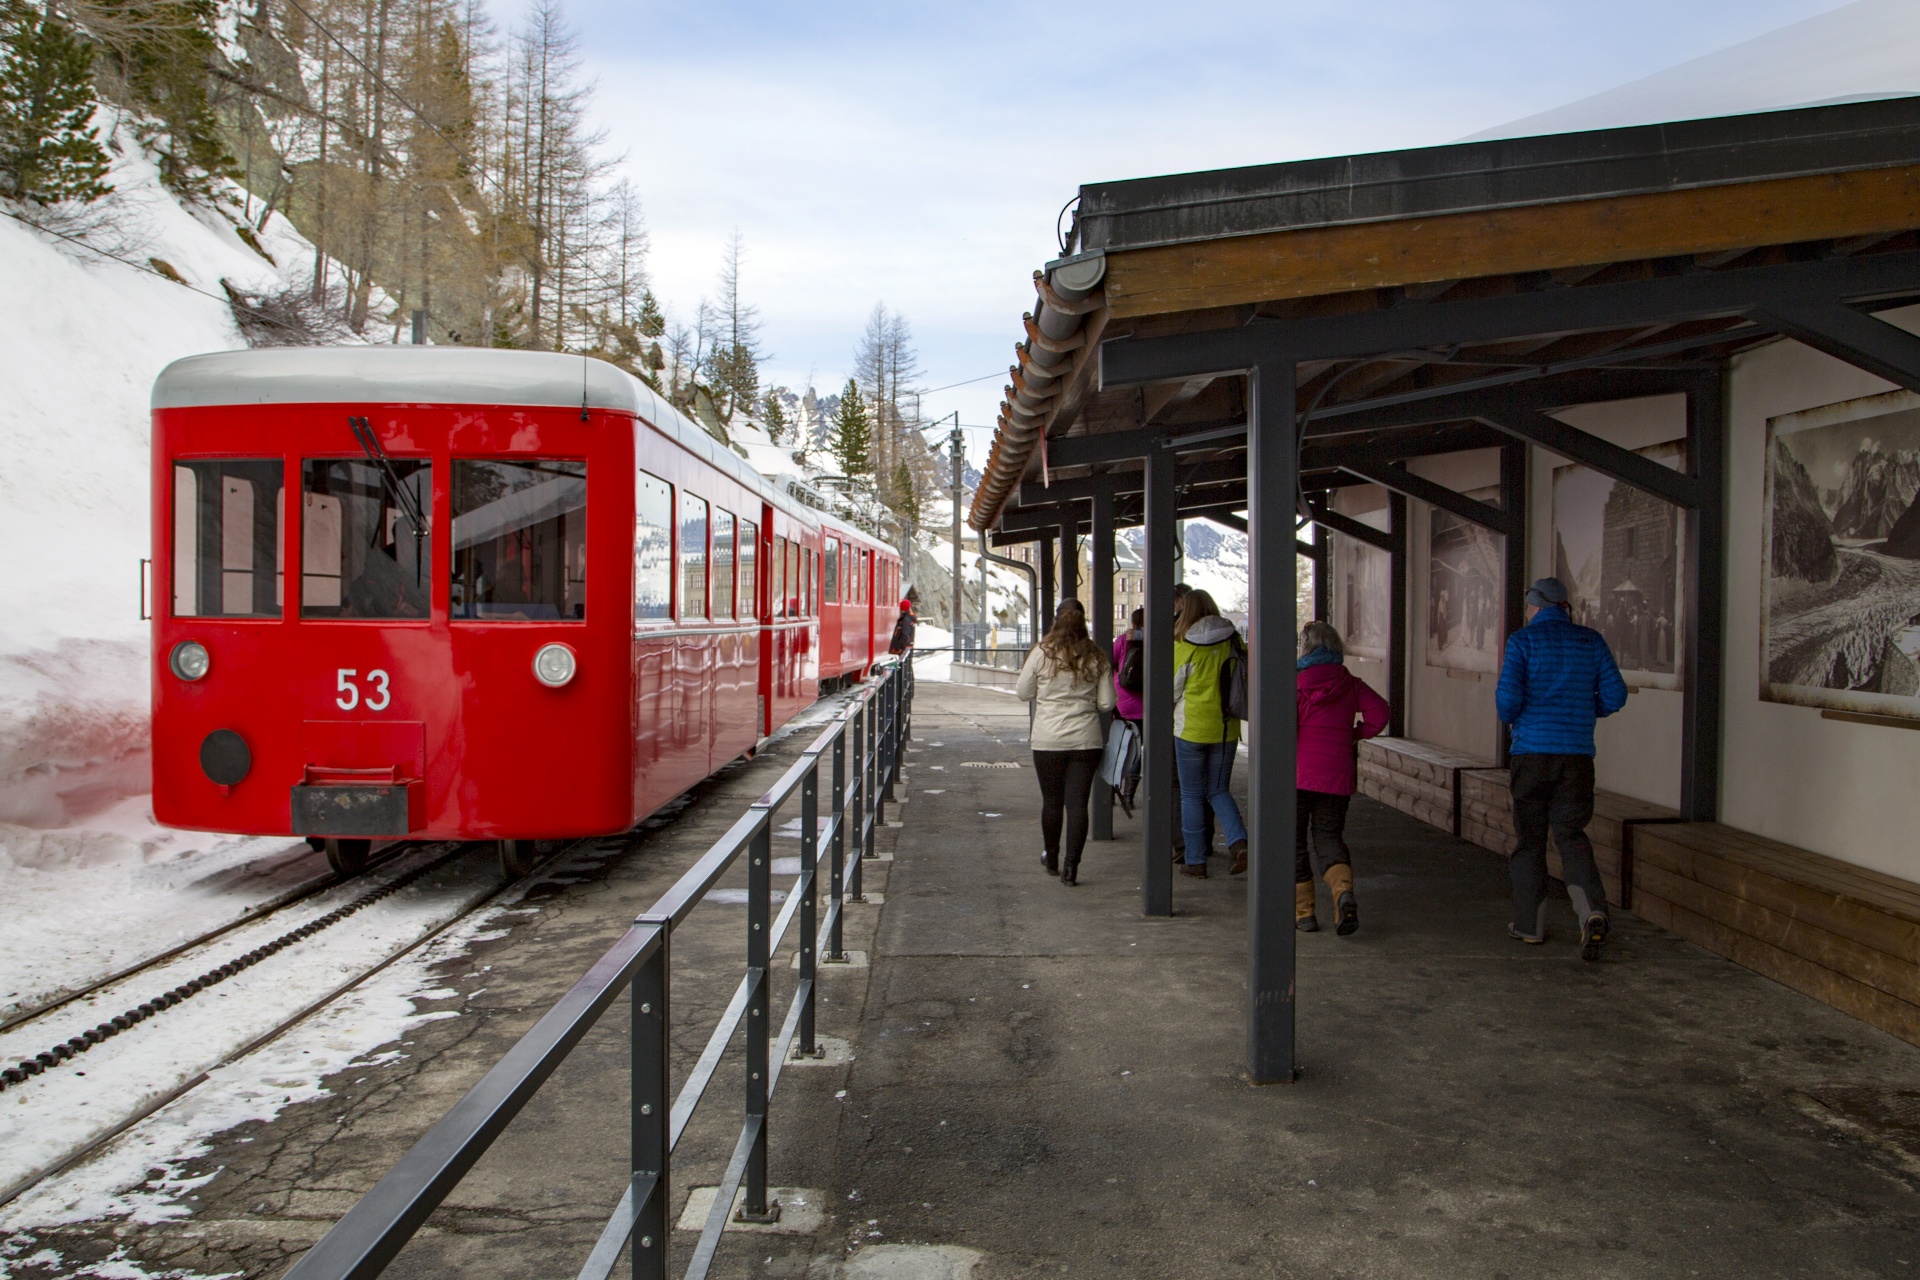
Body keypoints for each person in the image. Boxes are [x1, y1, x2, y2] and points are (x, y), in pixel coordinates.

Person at [1496, 576, 1629, 961]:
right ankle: (1592, 912)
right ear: (1563, 606)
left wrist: (1519, 719)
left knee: (1530, 841)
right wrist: (1589, 711)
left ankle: (1528, 926)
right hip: (1576, 758)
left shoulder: (1523, 641)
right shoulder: (1591, 641)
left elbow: (1507, 701)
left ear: (1536, 606)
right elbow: (1616, 694)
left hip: (1532, 755)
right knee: (1571, 836)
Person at [1294, 621, 1391, 933]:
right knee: (1329, 837)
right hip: (1337, 775)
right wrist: (1355, 734)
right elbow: (1381, 713)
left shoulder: (1296, 683)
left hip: (1298, 775)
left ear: (1305, 647)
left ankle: (1304, 913)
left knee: (1294, 841)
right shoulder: (1349, 683)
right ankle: (1342, 893)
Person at [1015, 600, 1116, 885]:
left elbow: (1024, 692)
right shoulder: (1097, 655)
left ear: (1056, 621)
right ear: (1083, 621)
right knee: (1077, 804)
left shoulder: (1041, 652)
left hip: (1048, 740)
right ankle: (1072, 868)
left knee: (1052, 801)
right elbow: (1107, 702)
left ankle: (1052, 856)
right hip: (1086, 741)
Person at [1171, 588, 1247, 879]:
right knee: (1217, 789)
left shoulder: (1183, 643)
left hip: (1190, 729)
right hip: (1226, 727)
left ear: (1186, 610)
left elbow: (1172, 689)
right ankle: (1238, 841)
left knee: (1190, 794)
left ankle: (1195, 860)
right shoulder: (1234, 639)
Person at [1111, 607, 1144, 815]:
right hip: (1146, 706)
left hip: (1123, 703)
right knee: (1137, 751)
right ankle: (1129, 796)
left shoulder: (1123, 640)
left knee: (1119, 747)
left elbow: (1109, 662)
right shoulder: (1159, 640)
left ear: (1133, 623)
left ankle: (1113, 789)